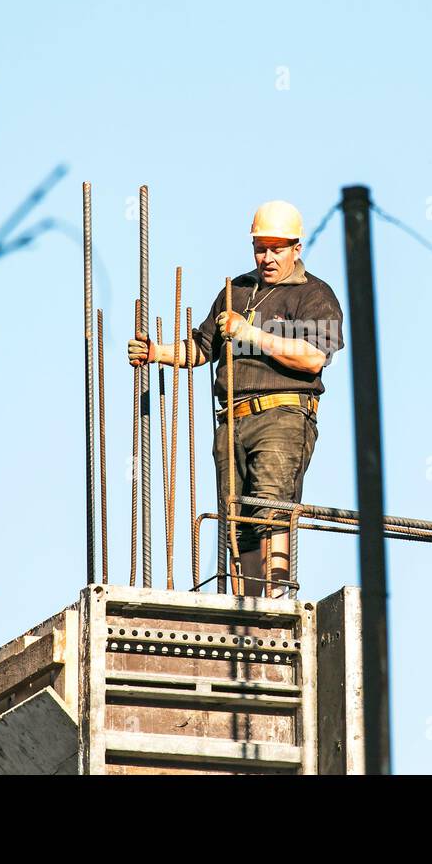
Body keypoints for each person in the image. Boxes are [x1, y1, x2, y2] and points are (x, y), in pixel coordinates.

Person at [128, 200, 344, 596]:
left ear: (297, 248)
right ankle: (246, 609)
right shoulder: (236, 292)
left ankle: (276, 602)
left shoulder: (314, 295)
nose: (267, 257)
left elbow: (314, 358)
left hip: (282, 414)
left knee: (270, 509)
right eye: (261, 248)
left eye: (277, 248)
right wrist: (155, 352)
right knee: (238, 521)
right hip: (232, 420)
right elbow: (200, 349)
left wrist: (252, 334)